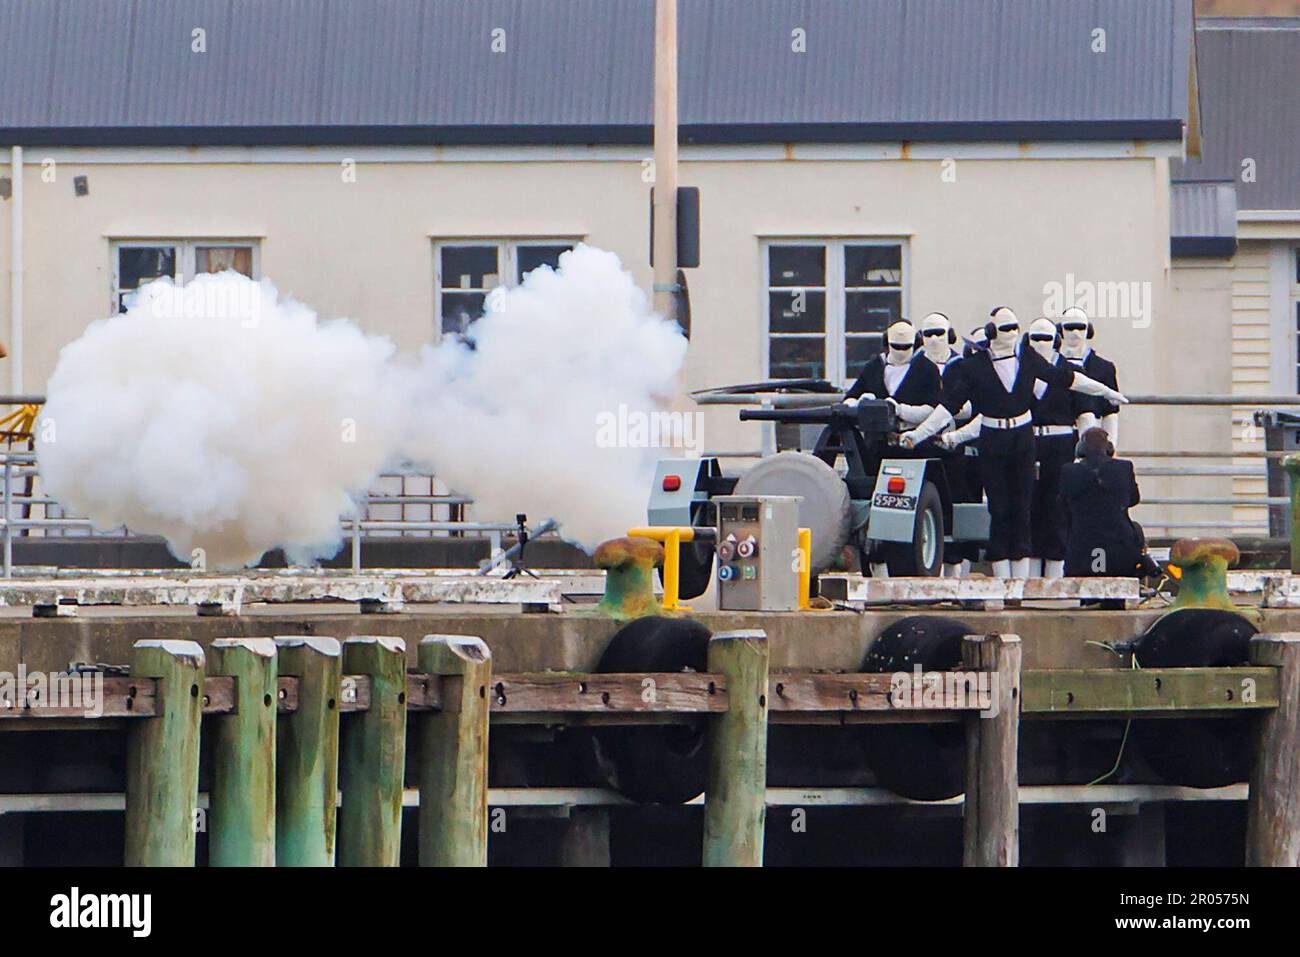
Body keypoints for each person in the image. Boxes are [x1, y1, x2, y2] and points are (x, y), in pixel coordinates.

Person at [900, 306, 1128, 579]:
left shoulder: (1028, 360)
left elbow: (1068, 379)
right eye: (1006, 328)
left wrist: (1108, 392)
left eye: (1015, 328)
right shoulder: (973, 367)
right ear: (991, 331)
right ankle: (1002, 576)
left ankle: (1020, 579)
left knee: (1023, 506)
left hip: (1022, 438)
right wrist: (920, 433)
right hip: (992, 438)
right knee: (998, 507)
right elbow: (948, 406)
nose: (1012, 333)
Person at [919, 312, 975, 577]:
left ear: (949, 334)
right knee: (927, 504)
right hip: (921, 445)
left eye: (938, 333)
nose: (933, 339)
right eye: (927, 334)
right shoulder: (915, 365)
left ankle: (956, 571)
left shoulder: (961, 365)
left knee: (956, 502)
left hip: (955, 445)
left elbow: (971, 404)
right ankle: (931, 568)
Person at [1059, 427, 1157, 580]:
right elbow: (1133, 499)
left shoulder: (1069, 471)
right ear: (1109, 448)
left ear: (1081, 450)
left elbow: (1063, 505)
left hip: (1082, 552)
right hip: (1119, 553)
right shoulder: (1124, 467)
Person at [1025, 316, 1075, 578]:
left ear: (1056, 341)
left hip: (1061, 443)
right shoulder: (1021, 369)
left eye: (1046, 338)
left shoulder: (1068, 371)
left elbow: (1084, 410)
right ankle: (1032, 573)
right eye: (1035, 338)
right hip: (1029, 440)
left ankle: (1055, 571)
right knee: (1029, 504)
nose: (1040, 344)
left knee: (1057, 505)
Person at [1058, 306, 1121, 446]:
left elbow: (1110, 413)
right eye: (1069, 328)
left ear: (1088, 330)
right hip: (1060, 437)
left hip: (1092, 439)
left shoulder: (1104, 368)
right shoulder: (1054, 367)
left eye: (1080, 328)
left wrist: (1110, 447)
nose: (1075, 333)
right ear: (1060, 331)